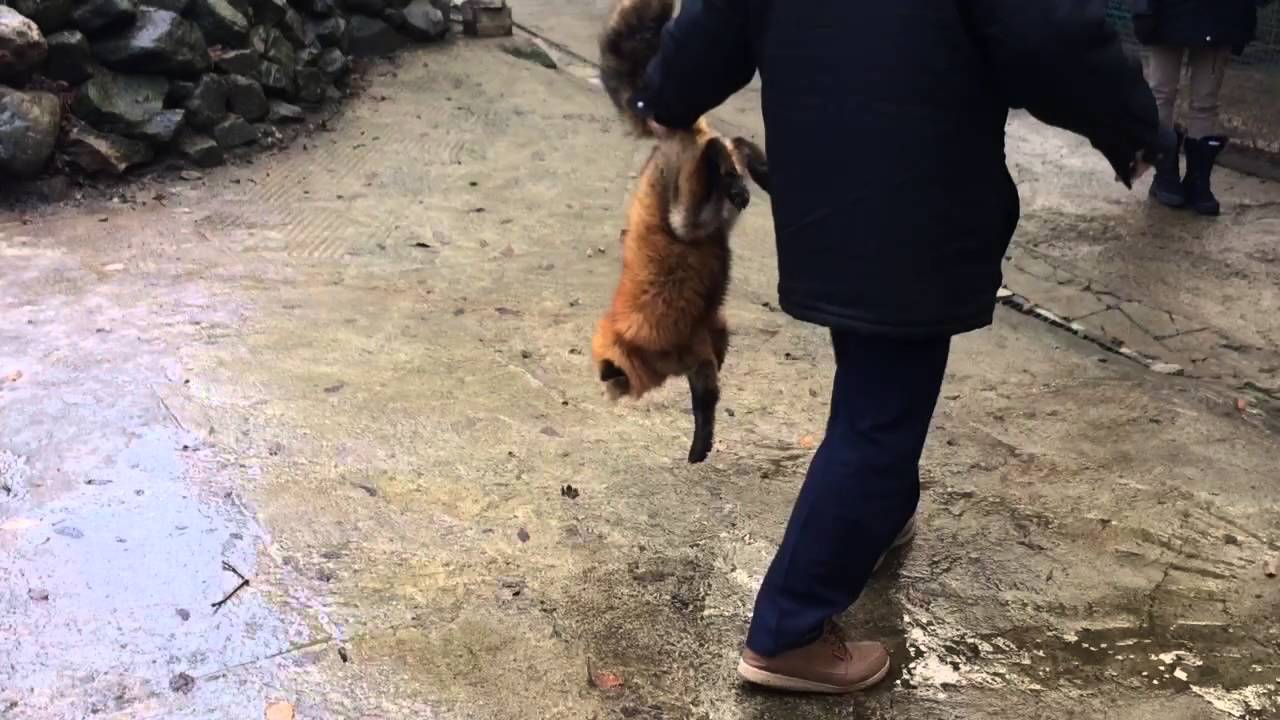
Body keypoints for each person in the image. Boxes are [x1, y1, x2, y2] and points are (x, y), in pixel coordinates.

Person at [626, 0, 1175, 695]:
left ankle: (875, 517)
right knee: (881, 420)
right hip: (920, 197)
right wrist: (1131, 126)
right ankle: (787, 632)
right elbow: (1051, 32)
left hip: (825, 195)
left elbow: (717, 20)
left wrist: (666, 95)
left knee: (870, 374)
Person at [1135, 0, 1267, 215]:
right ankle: (1165, 172)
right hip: (1168, 14)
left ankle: (1198, 179)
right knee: (1162, 93)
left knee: (1204, 100)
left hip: (1218, 17)